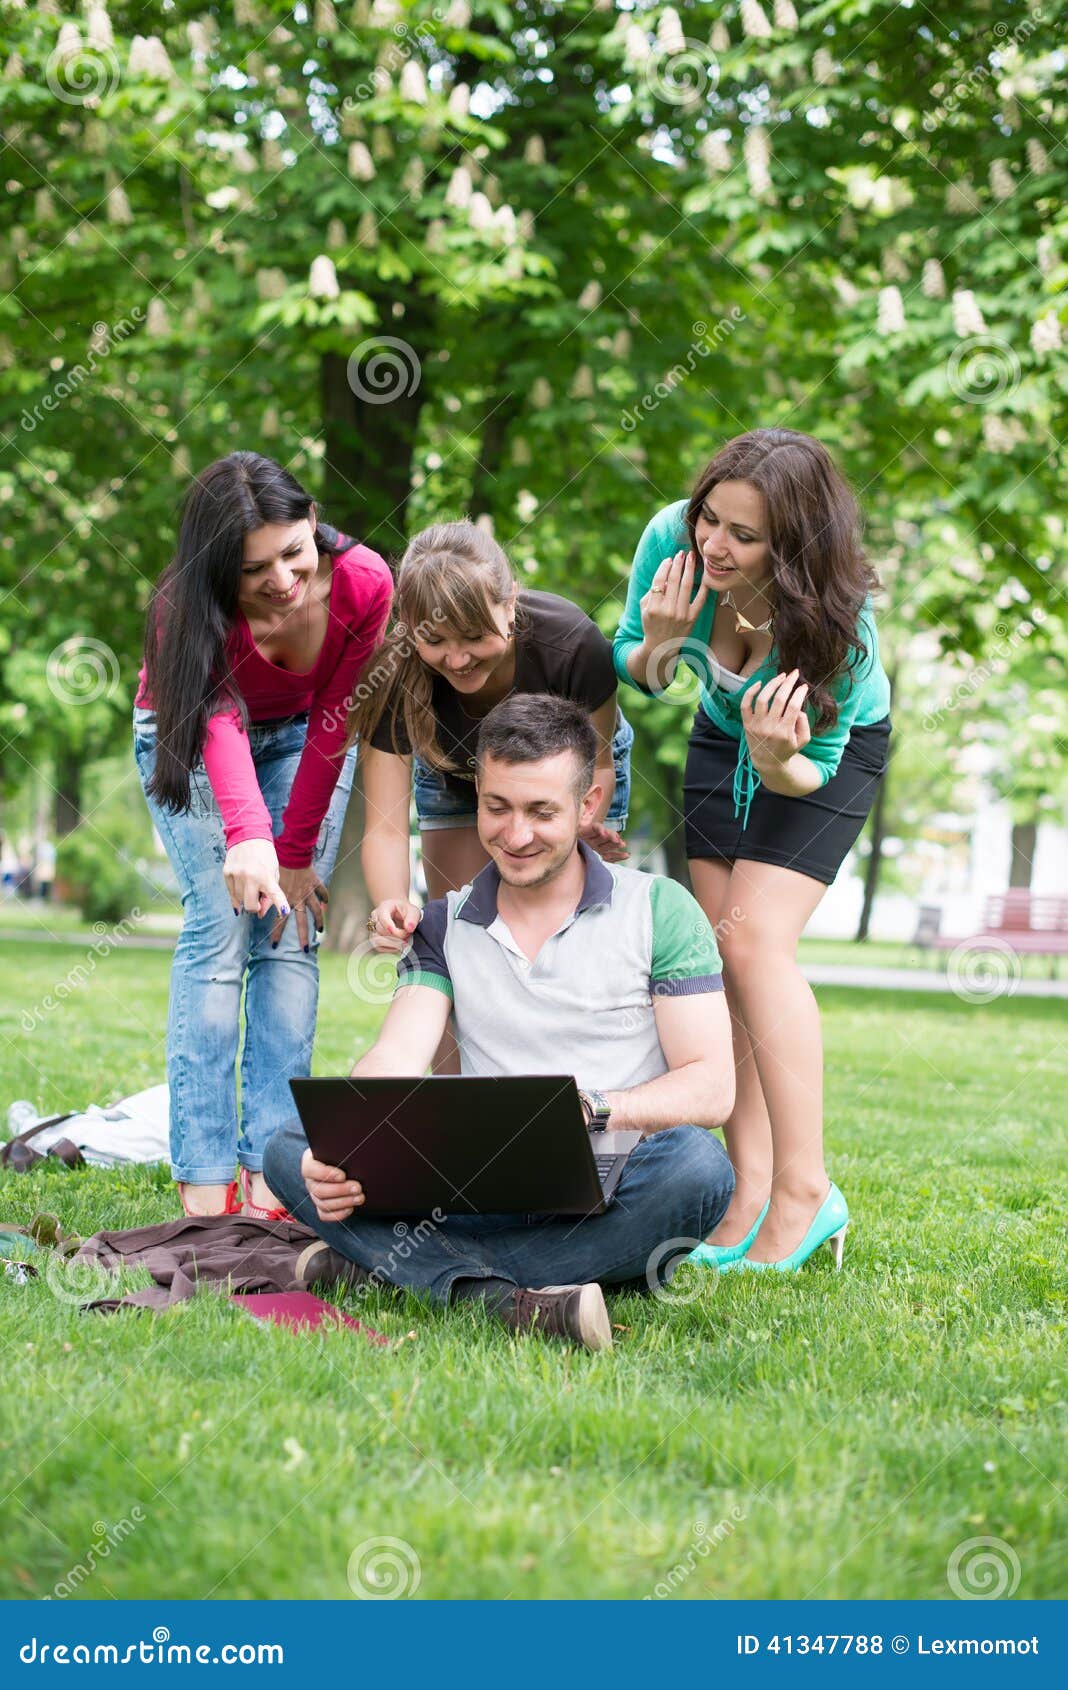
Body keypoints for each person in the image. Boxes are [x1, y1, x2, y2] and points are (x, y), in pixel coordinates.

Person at [263, 694, 735, 1351]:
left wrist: (595, 1109)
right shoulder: (444, 923)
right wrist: (344, 1143)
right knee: (289, 1147)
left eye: (542, 812)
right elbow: (396, 1055)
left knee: (700, 1171)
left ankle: (401, 1272)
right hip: (471, 1186)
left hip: (614, 1183)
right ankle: (504, 1298)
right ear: (478, 794)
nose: (516, 836)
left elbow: (711, 1089)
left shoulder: (660, 909)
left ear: (589, 804)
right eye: (498, 807)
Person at [613, 428, 892, 1274]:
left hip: (818, 756)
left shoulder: (842, 628)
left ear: (794, 544)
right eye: (710, 519)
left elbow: (816, 768)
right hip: (720, 732)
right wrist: (660, 643)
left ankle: (807, 1192)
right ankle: (748, 1187)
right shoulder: (672, 538)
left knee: (754, 941)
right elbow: (635, 664)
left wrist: (777, 761)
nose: (713, 544)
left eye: (744, 534)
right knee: (716, 954)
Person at [134, 452, 392, 1218]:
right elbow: (216, 722)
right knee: (221, 931)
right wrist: (250, 838)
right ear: (219, 570)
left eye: (293, 552)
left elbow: (336, 720)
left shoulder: (365, 584)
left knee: (289, 933)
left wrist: (296, 855)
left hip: (303, 737)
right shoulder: (184, 606)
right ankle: (206, 1180)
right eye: (255, 569)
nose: (282, 580)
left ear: (314, 524)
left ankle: (272, 1173)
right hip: (190, 733)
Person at [351, 519, 634, 959]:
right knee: (460, 938)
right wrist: (391, 903)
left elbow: (597, 766)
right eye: (435, 640)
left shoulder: (573, 644)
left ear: (510, 604)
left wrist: (577, 825)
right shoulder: (394, 679)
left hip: (571, 778)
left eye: (475, 636)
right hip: (453, 769)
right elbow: (386, 828)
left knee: (568, 939)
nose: (458, 659)